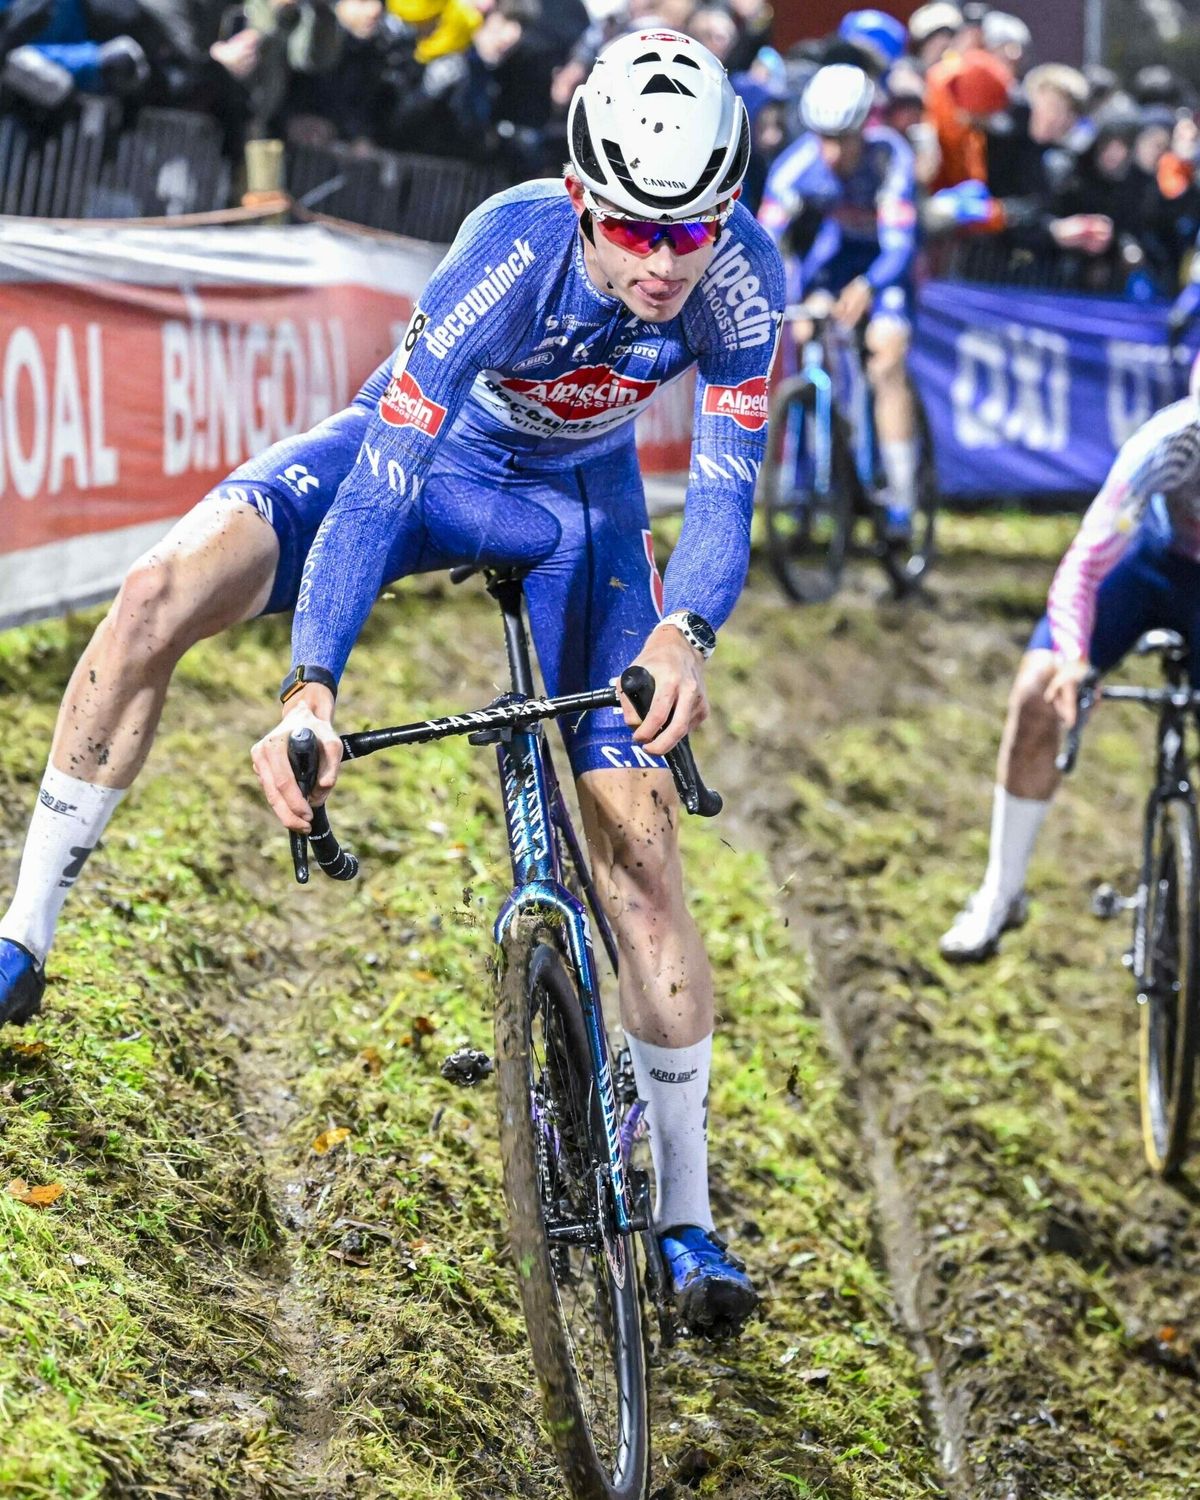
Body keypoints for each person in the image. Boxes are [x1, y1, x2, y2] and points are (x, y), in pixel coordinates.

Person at [0, 26, 783, 1339]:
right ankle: (23, 936)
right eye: (636, 231)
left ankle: (687, 1218)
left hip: (579, 524)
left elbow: (724, 484)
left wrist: (688, 627)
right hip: (426, 471)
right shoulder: (513, 243)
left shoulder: (743, 280)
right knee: (152, 594)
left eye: (691, 232)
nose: (662, 264)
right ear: (587, 195)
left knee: (639, 841)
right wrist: (315, 680)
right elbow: (386, 473)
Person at [940, 372, 1200, 962]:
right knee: (1038, 687)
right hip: (1154, 564)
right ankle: (1000, 893)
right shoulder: (1170, 443)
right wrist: (1076, 661)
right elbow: (1085, 565)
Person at [758, 62, 920, 540]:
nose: (830, 151)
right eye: (822, 137)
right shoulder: (796, 166)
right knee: (807, 338)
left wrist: (868, 287)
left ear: (864, 129)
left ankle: (901, 502)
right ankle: (807, 482)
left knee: (886, 358)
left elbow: (901, 246)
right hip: (833, 263)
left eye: (842, 139)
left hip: (885, 265)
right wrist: (788, 299)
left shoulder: (890, 157)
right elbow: (769, 241)